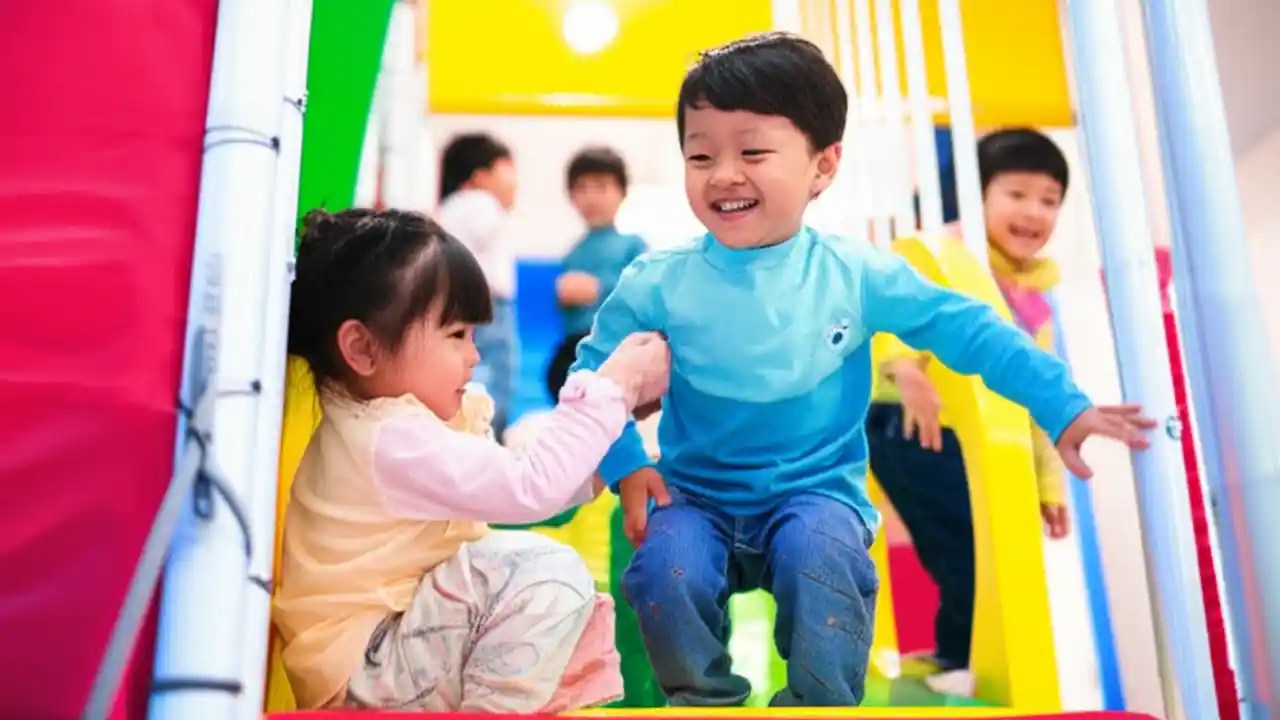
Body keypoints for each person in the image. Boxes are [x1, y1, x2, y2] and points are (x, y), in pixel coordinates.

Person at [566, 32, 1154, 707]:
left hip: (815, 495)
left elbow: (970, 330)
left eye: (753, 151)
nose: (723, 173)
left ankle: (818, 704)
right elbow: (593, 374)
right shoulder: (657, 284)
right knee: (667, 573)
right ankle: (702, 700)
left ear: (823, 165)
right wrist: (624, 463)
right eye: (701, 155)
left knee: (825, 564)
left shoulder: (855, 273)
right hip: (696, 497)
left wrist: (1062, 405)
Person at [272, 208, 670, 711]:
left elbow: (531, 488)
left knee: (527, 573)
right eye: (456, 335)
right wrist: (615, 387)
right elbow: (532, 487)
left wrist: (613, 424)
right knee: (542, 570)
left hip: (385, 661)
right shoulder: (388, 438)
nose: (474, 356)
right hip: (367, 673)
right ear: (362, 348)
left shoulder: (390, 427)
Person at [868, 128, 1072, 689]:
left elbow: (1038, 399)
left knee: (984, 540)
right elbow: (903, 306)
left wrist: (1049, 486)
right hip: (904, 417)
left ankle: (956, 651)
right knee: (964, 538)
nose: (1033, 211)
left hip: (976, 438)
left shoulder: (1032, 301)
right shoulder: (948, 252)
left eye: (1049, 200)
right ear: (978, 197)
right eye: (1016, 194)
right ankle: (961, 656)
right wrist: (905, 367)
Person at [546, 146, 649, 399]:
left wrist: (598, 289)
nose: (591, 198)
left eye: (601, 187)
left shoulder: (633, 244)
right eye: (581, 189)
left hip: (617, 348)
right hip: (577, 349)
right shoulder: (572, 253)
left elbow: (643, 293)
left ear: (622, 192)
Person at [437, 133, 519, 438]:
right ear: (481, 176)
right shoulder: (480, 203)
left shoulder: (451, 206)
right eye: (508, 170)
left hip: (467, 306)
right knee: (494, 380)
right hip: (488, 309)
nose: (514, 182)